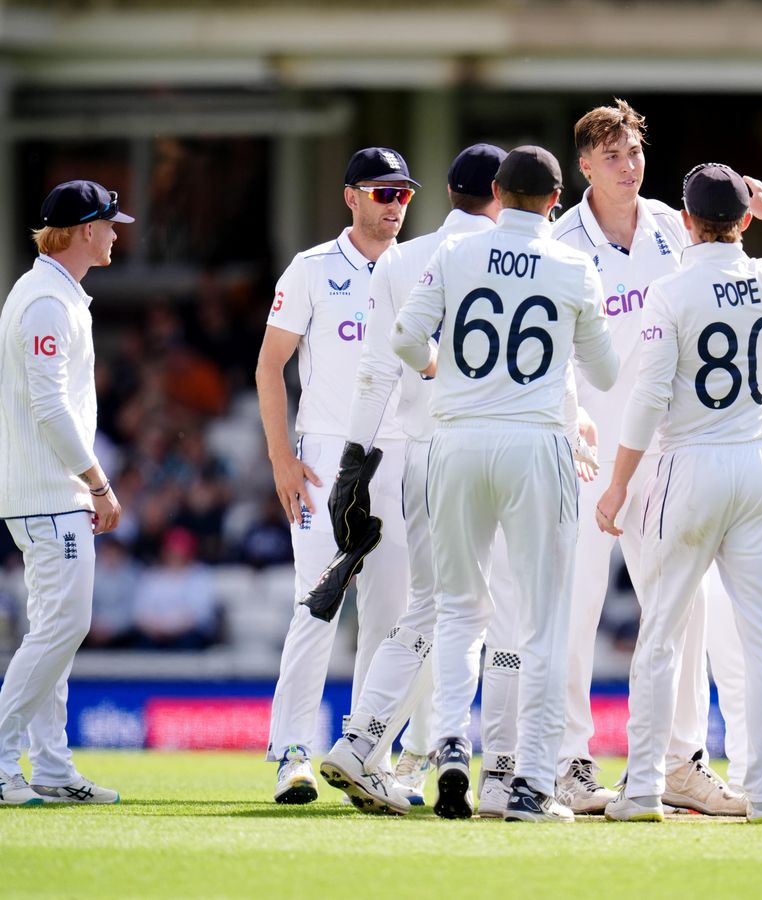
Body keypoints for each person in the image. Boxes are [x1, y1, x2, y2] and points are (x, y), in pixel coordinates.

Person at [392, 145, 618, 822]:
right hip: (535, 444)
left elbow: (406, 339)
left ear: (496, 191)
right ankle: (527, 787)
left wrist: (448, 373)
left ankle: (452, 743)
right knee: (543, 623)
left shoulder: (456, 254)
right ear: (557, 200)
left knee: (460, 611)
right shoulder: (575, 264)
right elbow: (604, 374)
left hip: (456, 440)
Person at [596, 165, 762, 823]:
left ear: (688, 223)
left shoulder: (672, 291)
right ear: (744, 221)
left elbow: (647, 398)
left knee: (663, 634)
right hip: (761, 472)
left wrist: (617, 485)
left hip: (692, 466)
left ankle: (643, 789)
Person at [551, 99, 748, 815]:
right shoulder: (560, 239)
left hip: (666, 450)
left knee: (682, 608)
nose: (628, 167)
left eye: (634, 153)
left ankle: (681, 763)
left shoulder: (673, 224)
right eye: (612, 156)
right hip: (584, 449)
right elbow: (551, 345)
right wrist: (570, 417)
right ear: (584, 165)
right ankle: (570, 761)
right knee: (573, 606)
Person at [320, 143, 524, 815]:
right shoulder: (519, 257)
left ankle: (366, 744)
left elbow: (378, 372)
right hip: (499, 451)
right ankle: (482, 765)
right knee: (498, 616)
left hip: (421, 454)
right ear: (501, 191)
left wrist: (353, 463)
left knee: (430, 610)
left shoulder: (402, 259)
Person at [256, 148, 414, 804]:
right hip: (327, 457)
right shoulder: (313, 268)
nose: (395, 206)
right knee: (317, 605)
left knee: (391, 616)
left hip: (404, 453)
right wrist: (281, 460)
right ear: (351, 196)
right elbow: (270, 367)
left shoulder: (421, 269)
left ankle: (364, 756)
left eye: (404, 194)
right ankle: (291, 752)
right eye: (383, 193)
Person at [0, 179, 131, 806]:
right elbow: (51, 408)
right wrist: (97, 483)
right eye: (109, 225)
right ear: (84, 230)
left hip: (48, 493)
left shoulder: (56, 295)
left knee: (55, 629)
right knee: (64, 626)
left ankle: (50, 766)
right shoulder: (47, 301)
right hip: (50, 494)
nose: (114, 234)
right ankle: (3, 758)